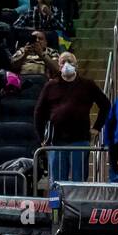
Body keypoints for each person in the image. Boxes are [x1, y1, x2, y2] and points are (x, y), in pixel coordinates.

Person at [34, 52, 108, 184]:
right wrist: (41, 137)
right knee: (56, 182)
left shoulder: (88, 84)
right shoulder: (50, 86)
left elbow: (105, 105)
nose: (66, 64)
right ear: (59, 66)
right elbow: (39, 112)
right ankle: (56, 199)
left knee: (79, 180)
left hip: (80, 140)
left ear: (76, 65)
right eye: (63, 62)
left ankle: (78, 199)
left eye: (70, 61)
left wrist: (97, 127)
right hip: (56, 142)